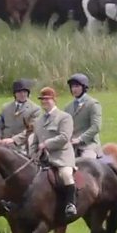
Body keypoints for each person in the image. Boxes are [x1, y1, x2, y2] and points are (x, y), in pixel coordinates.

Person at [28, 87, 77, 218]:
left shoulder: (64, 117)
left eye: (47, 99)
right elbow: (35, 141)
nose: (44, 102)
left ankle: (70, 204)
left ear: (54, 100)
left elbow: (64, 137)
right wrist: (32, 155)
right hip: (43, 159)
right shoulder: (38, 121)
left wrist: (46, 143)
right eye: (42, 100)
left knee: (66, 174)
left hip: (61, 157)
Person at [0, 79, 38, 155]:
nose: (23, 94)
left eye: (25, 92)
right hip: (3, 144)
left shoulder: (35, 109)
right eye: (20, 92)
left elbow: (31, 130)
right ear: (15, 94)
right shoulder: (6, 107)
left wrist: (13, 140)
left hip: (22, 146)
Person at [66, 73, 102, 158]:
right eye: (72, 86)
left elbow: (96, 127)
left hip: (89, 144)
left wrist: (80, 139)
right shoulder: (68, 107)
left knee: (86, 162)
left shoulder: (93, 104)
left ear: (84, 87)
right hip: (71, 144)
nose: (74, 89)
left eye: (77, 86)